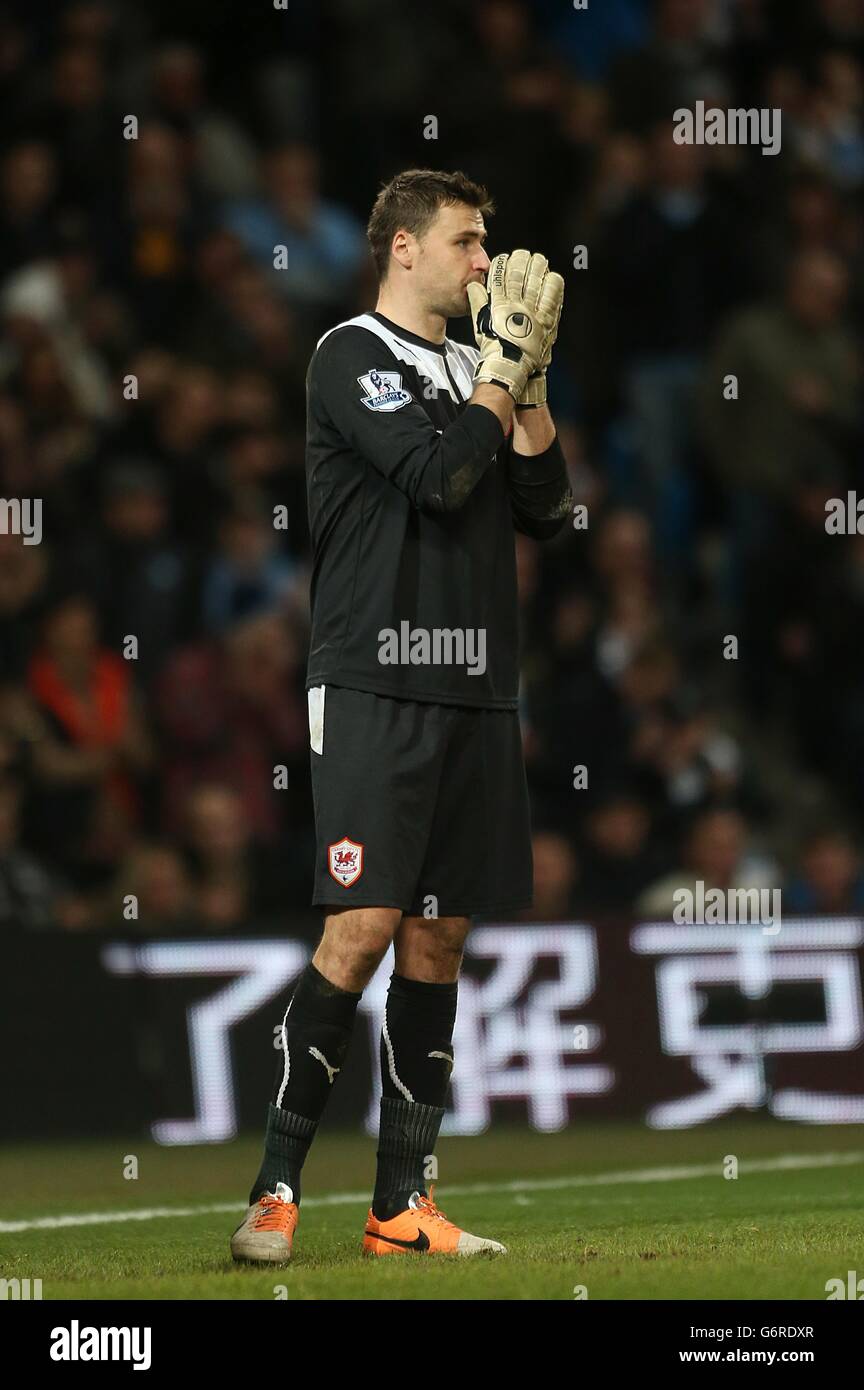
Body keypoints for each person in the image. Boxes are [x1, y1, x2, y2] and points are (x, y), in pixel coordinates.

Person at [231, 167, 570, 1263]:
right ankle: (276, 1188)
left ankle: (401, 1205)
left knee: (437, 936)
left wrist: (533, 383)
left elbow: (549, 510)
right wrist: (496, 385)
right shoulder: (349, 355)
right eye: (469, 243)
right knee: (362, 923)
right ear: (405, 249)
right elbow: (433, 476)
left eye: (490, 245)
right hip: (375, 676)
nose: (487, 264)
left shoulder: (486, 368)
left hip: (477, 683)